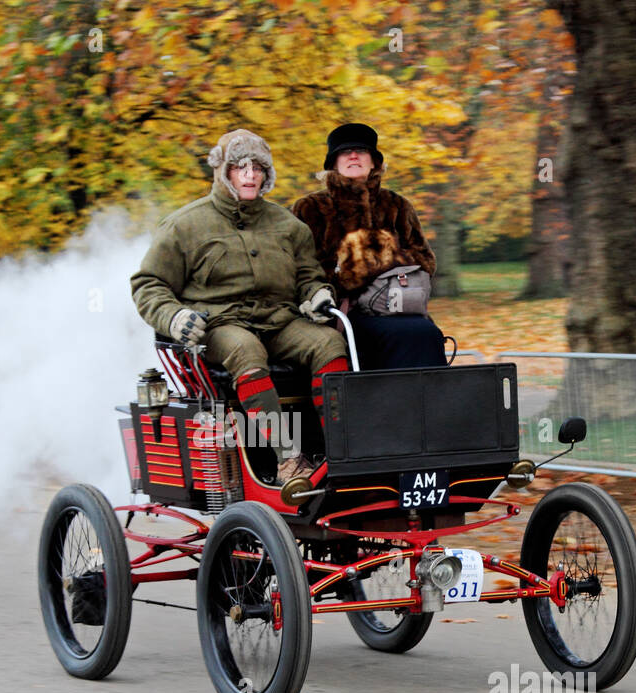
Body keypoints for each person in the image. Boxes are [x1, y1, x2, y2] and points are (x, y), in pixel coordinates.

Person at [131, 129, 350, 483]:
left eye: (258, 168)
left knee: (329, 343)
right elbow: (148, 284)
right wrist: (174, 317)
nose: (250, 175)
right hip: (218, 325)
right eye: (240, 167)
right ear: (223, 171)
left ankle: (341, 451)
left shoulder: (289, 226)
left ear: (267, 175)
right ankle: (288, 460)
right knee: (246, 350)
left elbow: (309, 277)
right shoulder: (184, 225)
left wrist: (317, 294)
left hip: (278, 321)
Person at [291, 123, 446, 370]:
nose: (354, 156)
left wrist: (369, 261)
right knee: (401, 336)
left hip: (394, 305)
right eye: (345, 152)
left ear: (374, 161)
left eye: (361, 151)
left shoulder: (397, 205)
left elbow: (425, 260)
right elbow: (300, 268)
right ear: (333, 163)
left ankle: (428, 406)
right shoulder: (309, 208)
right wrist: (348, 276)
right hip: (338, 312)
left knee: (426, 332)